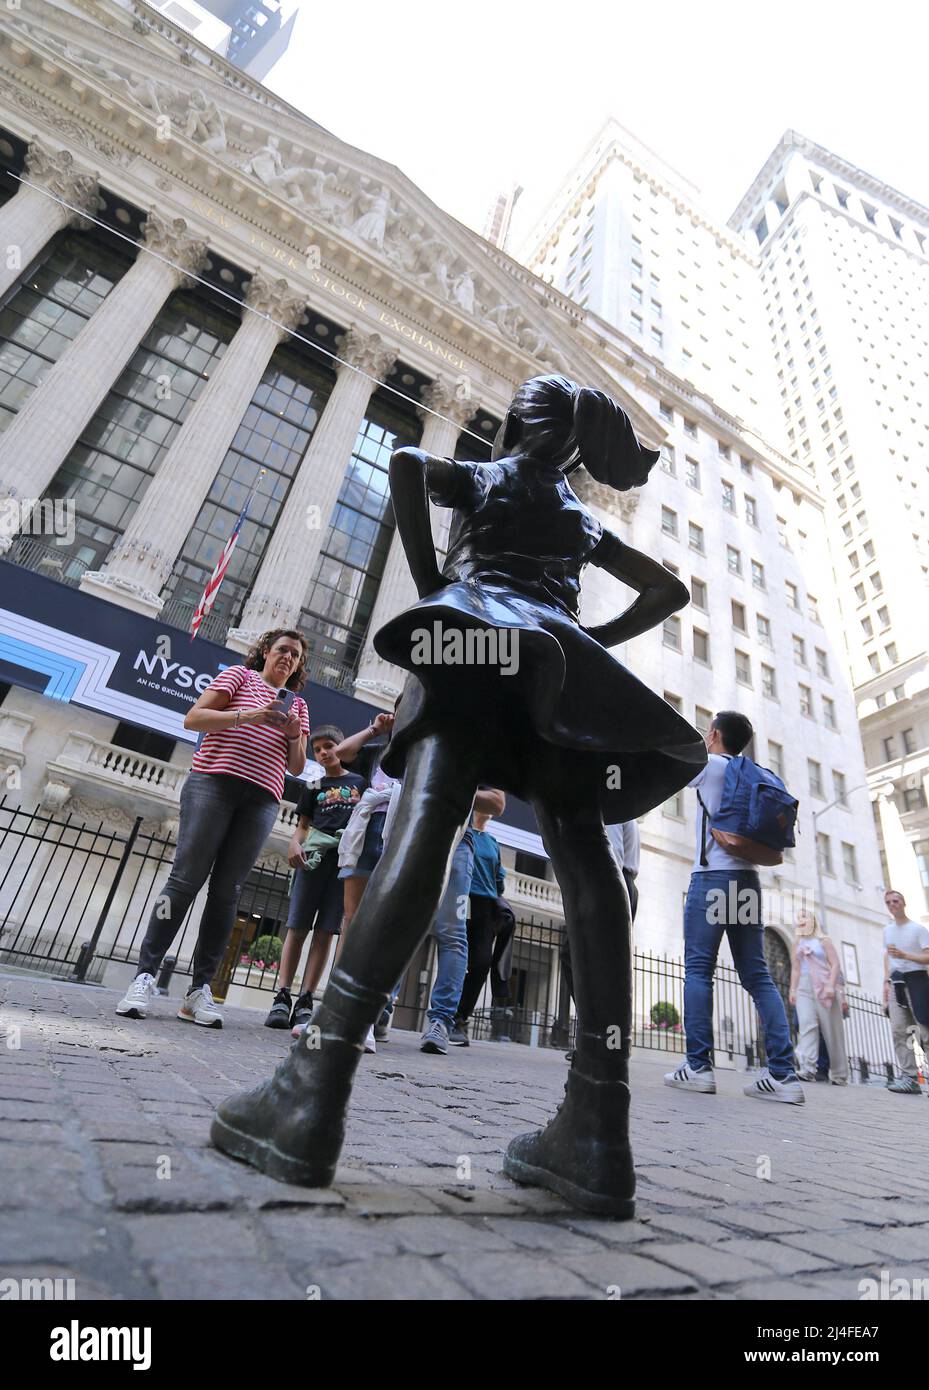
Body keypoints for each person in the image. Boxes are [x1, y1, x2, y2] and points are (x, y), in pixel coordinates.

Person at [212, 373, 706, 1218]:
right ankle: (597, 1128)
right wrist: (591, 637)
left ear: (517, 423)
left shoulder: (490, 474)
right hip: (559, 659)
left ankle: (314, 1087)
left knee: (428, 821)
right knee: (584, 855)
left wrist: (433, 575)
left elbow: (406, 463)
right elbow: (667, 591)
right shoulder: (580, 516)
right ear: (578, 446)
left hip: (471, 638)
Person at [117, 630, 309, 1028]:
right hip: (212, 783)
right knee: (184, 880)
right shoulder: (239, 677)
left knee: (227, 894)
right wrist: (251, 715)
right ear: (265, 654)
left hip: (261, 800)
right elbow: (194, 718)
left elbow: (296, 766)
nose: (288, 658)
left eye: (296, 655)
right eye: (282, 650)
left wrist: (293, 736)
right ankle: (144, 977)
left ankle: (198, 992)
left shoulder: (300, 706)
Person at [665, 711, 804, 1103]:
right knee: (758, 976)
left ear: (714, 735)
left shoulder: (709, 766)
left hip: (712, 882)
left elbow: (664, 763)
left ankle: (698, 1067)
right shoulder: (752, 773)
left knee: (698, 970)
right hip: (748, 882)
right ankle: (783, 1075)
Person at [264, 727, 366, 1032]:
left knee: (325, 932)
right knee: (297, 927)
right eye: (318, 749)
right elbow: (303, 826)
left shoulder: (359, 782)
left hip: (345, 862)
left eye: (329, 746)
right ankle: (282, 996)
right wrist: (294, 843)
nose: (323, 752)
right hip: (312, 859)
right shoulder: (312, 785)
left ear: (341, 746)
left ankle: (306, 999)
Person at [449, 801, 507, 1046]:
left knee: (482, 962)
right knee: (454, 955)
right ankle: (445, 1015)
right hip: (463, 898)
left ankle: (461, 1017)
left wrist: (498, 886)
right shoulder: (463, 832)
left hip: (486, 905)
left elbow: (499, 875)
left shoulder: (492, 842)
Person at [788, 909, 849, 1085]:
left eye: (804, 916)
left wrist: (831, 984)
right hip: (804, 986)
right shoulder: (797, 944)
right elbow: (796, 969)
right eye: (798, 917)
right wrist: (793, 989)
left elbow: (835, 964)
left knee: (831, 1031)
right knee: (807, 1025)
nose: (801, 920)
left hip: (823, 984)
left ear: (813, 920)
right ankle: (807, 1068)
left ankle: (839, 1074)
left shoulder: (823, 941)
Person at [882, 888, 929, 1094]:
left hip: (917, 980)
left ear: (904, 903)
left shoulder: (918, 929)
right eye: (889, 902)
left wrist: (905, 955)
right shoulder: (887, 930)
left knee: (924, 1030)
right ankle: (909, 1078)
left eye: (896, 901)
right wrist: (886, 981)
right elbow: (888, 956)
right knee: (899, 1030)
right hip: (896, 982)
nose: (893, 905)